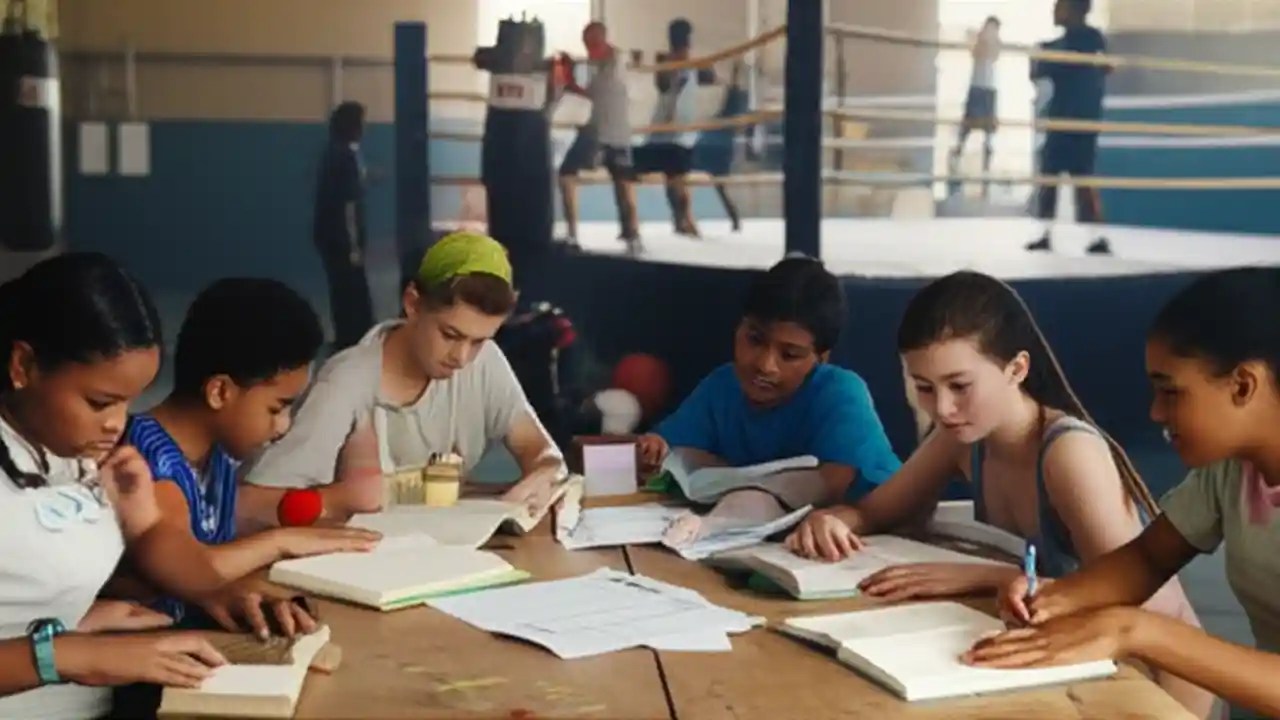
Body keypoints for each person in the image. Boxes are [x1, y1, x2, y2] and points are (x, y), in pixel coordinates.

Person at [784, 271, 1212, 718]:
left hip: (1162, 690)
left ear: (1017, 369)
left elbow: (1147, 609)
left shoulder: (1069, 454)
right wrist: (835, 521)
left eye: (960, 386)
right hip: (1075, 668)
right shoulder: (962, 435)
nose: (943, 408)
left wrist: (983, 576)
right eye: (924, 388)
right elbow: (877, 510)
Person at [0, 253, 313, 720]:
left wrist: (217, 592)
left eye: (128, 402)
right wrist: (67, 653)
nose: (115, 423)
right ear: (24, 365)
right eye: (100, 401)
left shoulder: (76, 452)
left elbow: (152, 534)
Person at [966, 268, 1280, 720]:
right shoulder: (1232, 470)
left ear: (1243, 385)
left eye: (1171, 392)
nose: (1155, 412)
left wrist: (1135, 629)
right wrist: (1060, 598)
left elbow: (1138, 622)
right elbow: (1148, 559)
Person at [238, 231, 567, 528]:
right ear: (412, 303)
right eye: (450, 334)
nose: (462, 357)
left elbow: (541, 451)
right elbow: (249, 507)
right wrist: (339, 500)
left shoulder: (485, 363)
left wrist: (545, 472)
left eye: (479, 341)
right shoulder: (346, 383)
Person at [126, 279, 380, 626]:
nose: (283, 426)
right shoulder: (143, 459)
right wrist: (281, 541)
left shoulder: (216, 457)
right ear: (219, 392)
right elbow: (196, 567)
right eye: (276, 408)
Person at [636, 256, 902, 545]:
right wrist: (653, 450)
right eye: (755, 339)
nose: (766, 365)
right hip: (757, 537)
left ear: (821, 358)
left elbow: (830, 485)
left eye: (789, 355)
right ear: (738, 329)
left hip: (870, 540)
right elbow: (674, 450)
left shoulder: (840, 393)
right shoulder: (722, 386)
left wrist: (738, 488)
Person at [1025, 0, 1112, 256]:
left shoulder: (1088, 40)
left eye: (1059, 7)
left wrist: (1042, 55)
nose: (1054, 12)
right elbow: (1040, 69)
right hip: (1064, 120)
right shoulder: (1071, 42)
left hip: (1078, 121)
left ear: (1073, 10)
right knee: (1051, 179)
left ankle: (1097, 236)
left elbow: (1049, 65)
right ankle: (1045, 234)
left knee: (1081, 182)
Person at [556, 22, 639, 251]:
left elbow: (594, 90)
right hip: (614, 134)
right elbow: (589, 93)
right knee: (620, 182)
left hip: (602, 135)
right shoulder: (602, 65)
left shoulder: (616, 63)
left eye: (592, 44)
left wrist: (570, 73)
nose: (589, 48)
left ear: (602, 40)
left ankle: (629, 234)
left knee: (569, 174)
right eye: (587, 44)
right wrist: (571, 76)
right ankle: (630, 234)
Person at [314, 100, 376, 350]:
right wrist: (353, 245)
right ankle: (356, 338)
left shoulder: (334, 153)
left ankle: (347, 336)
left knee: (340, 288)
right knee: (352, 288)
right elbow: (348, 207)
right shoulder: (347, 157)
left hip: (328, 235)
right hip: (341, 237)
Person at [634, 18, 704, 239]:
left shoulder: (691, 64)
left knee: (676, 177)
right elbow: (663, 85)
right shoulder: (668, 62)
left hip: (680, 129)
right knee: (675, 178)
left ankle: (684, 221)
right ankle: (682, 220)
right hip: (668, 129)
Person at [947, 16, 1001, 200]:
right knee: (967, 127)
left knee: (988, 132)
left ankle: (986, 171)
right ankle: (956, 157)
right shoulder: (979, 41)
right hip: (977, 87)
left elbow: (995, 55)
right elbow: (976, 51)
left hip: (990, 88)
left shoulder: (996, 44)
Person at [693, 58, 749, 232]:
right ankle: (735, 220)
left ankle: (684, 218)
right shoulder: (724, 94)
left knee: (679, 177)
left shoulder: (696, 96)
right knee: (720, 186)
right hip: (721, 145)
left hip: (703, 145)